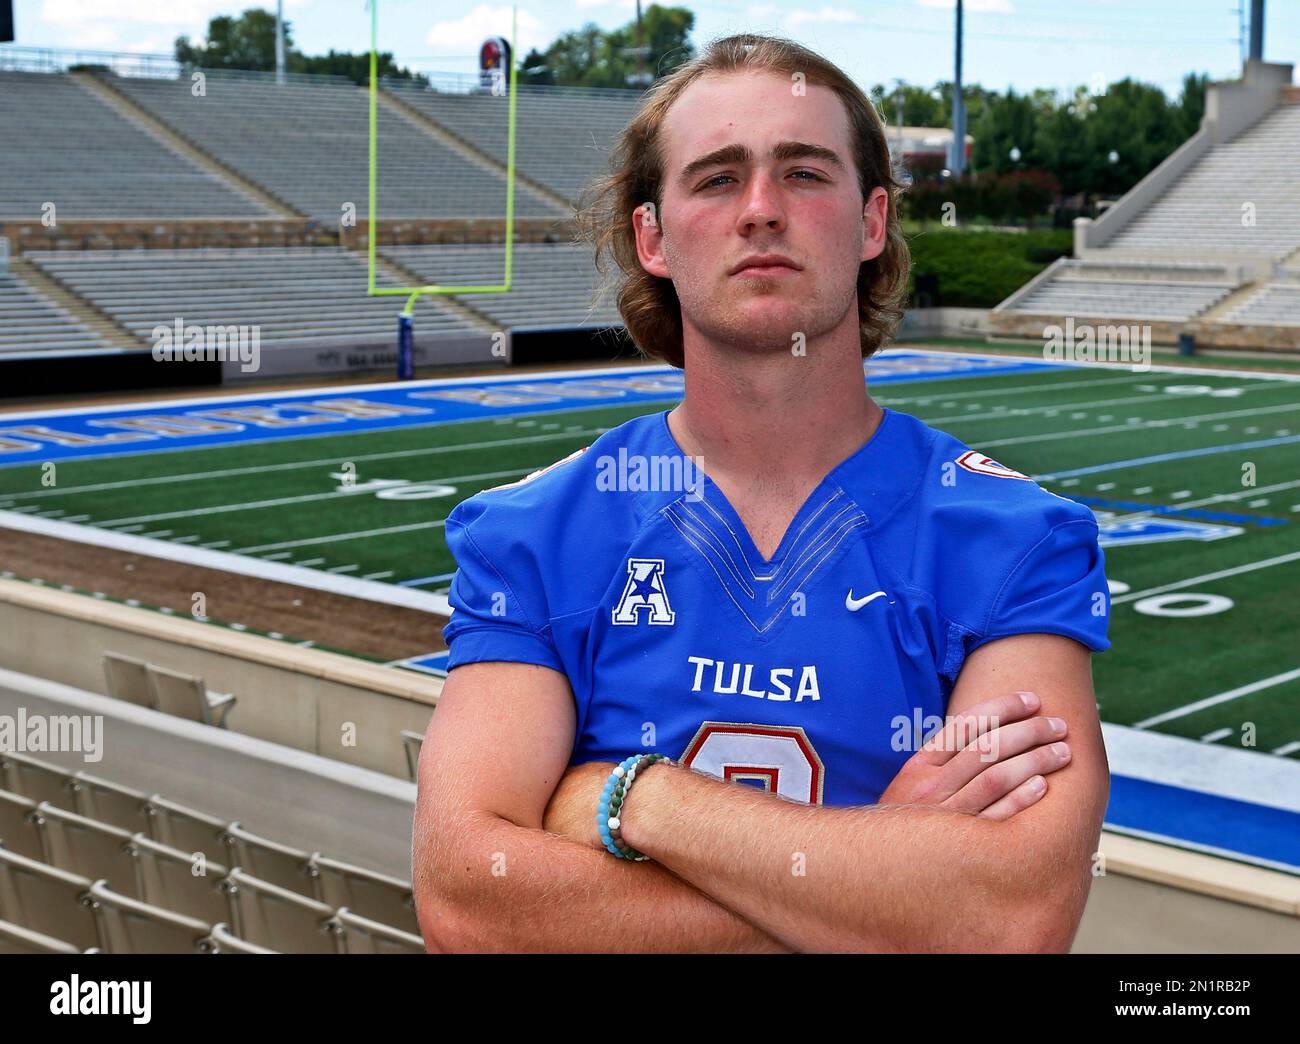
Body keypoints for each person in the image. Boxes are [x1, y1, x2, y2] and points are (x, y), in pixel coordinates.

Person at [412, 32, 1111, 953]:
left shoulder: (1013, 540)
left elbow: (1005, 923)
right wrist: (882, 888)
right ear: (650, 237)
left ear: (871, 223)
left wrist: (630, 799)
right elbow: (471, 907)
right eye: (714, 178)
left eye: (804, 173)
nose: (760, 210)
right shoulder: (538, 535)